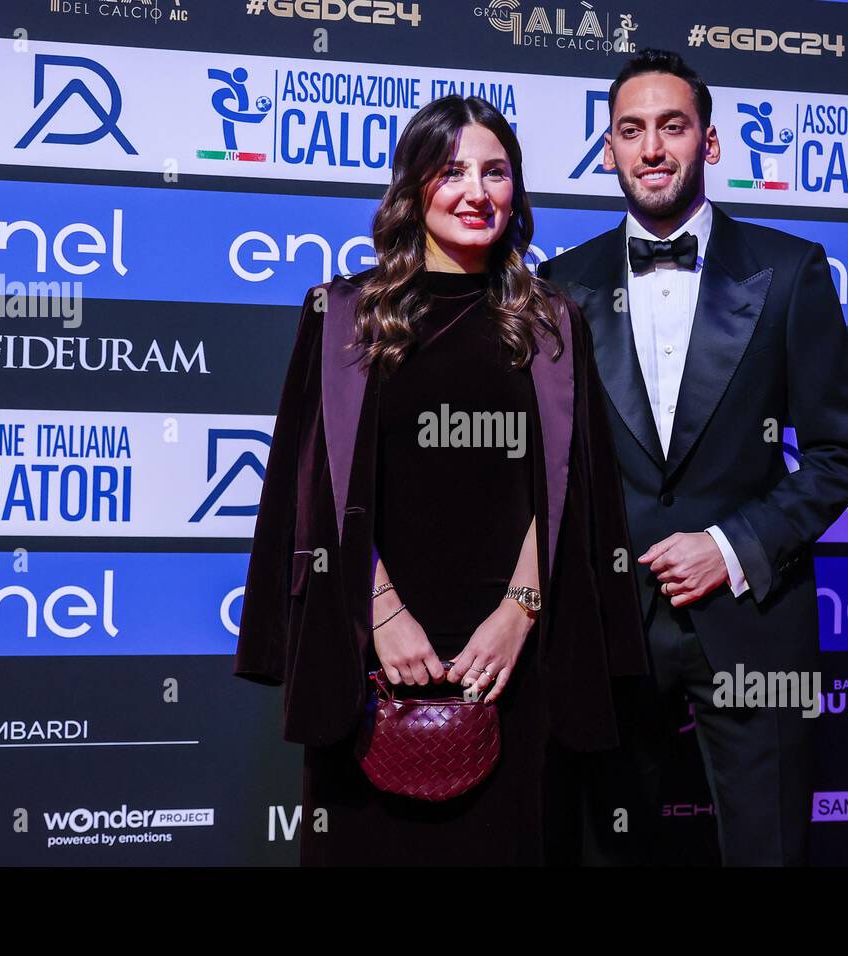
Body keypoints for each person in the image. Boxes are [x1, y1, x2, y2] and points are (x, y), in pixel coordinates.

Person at [234, 94, 647, 866]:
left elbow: (571, 493)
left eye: (496, 172)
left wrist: (518, 613)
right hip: (372, 656)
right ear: (414, 186)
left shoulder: (554, 323)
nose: (476, 191)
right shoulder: (343, 316)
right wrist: (383, 614)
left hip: (514, 663)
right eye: (452, 171)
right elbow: (312, 489)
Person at [538, 49, 848, 866]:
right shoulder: (556, 285)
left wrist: (727, 548)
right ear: (608, 149)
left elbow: (839, 454)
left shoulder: (791, 271)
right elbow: (546, 472)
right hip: (609, 626)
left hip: (755, 625)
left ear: (710, 143)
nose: (653, 148)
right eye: (632, 130)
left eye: (673, 127)